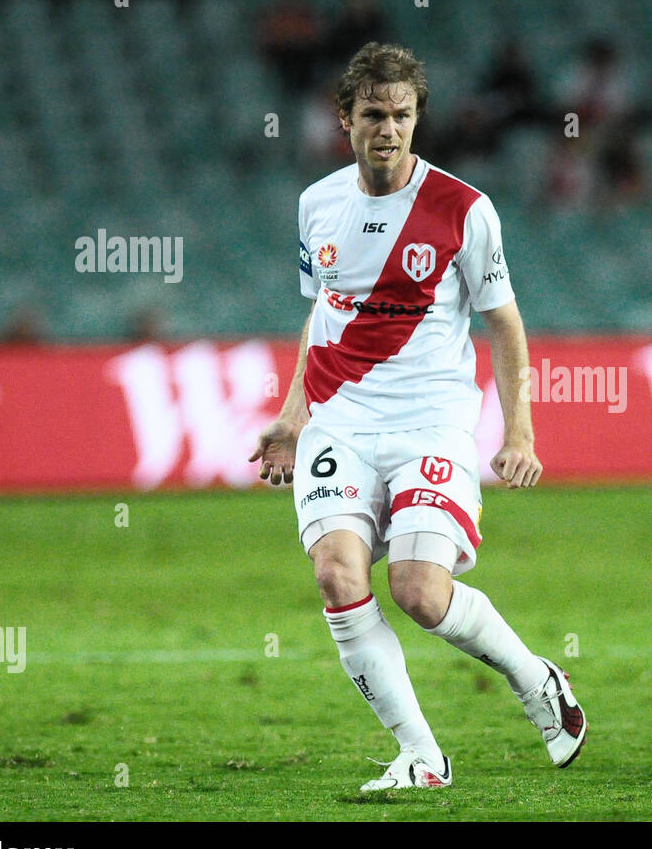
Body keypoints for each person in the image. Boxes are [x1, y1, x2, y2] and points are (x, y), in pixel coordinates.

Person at [250, 42, 587, 790]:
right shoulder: (317, 205)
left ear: (417, 119)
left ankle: (536, 679)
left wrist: (520, 430)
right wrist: (292, 413)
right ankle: (421, 756)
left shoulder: (464, 211)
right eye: (374, 114)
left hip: (431, 423)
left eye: (403, 115)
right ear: (345, 118)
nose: (389, 129)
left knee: (418, 593)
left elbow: (504, 323)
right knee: (338, 575)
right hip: (339, 420)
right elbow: (322, 314)